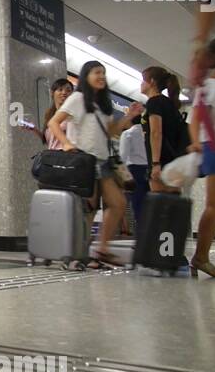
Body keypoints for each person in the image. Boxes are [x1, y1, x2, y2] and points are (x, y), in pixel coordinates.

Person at [48, 61, 144, 268]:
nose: (101, 76)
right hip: (84, 161)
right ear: (86, 76)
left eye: (103, 73)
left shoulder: (103, 104)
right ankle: (76, 256)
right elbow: (53, 122)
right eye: (96, 72)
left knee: (117, 204)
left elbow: (111, 132)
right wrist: (65, 143)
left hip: (102, 162)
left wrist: (129, 116)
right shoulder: (77, 98)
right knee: (87, 211)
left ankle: (101, 249)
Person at [188, 39, 215, 278]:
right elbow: (198, 118)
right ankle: (200, 257)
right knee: (214, 205)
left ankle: (201, 256)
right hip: (214, 147)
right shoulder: (208, 86)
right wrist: (198, 142)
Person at [141, 67, 189, 193]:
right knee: (173, 204)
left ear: (151, 82)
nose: (141, 84)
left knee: (160, 205)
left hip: (162, 161)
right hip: (174, 160)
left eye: (143, 80)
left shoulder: (154, 102)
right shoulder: (169, 104)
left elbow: (156, 132)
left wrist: (156, 164)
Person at [25, 78, 73, 149]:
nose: (64, 93)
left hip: (68, 156)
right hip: (53, 156)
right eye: (60, 89)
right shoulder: (50, 114)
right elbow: (50, 141)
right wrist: (34, 129)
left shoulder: (73, 113)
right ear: (52, 93)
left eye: (68, 90)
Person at [119, 121, 149, 226]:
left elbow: (122, 157)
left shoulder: (128, 133)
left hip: (135, 170)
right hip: (150, 169)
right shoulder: (148, 131)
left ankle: (141, 230)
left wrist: (122, 177)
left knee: (138, 203)